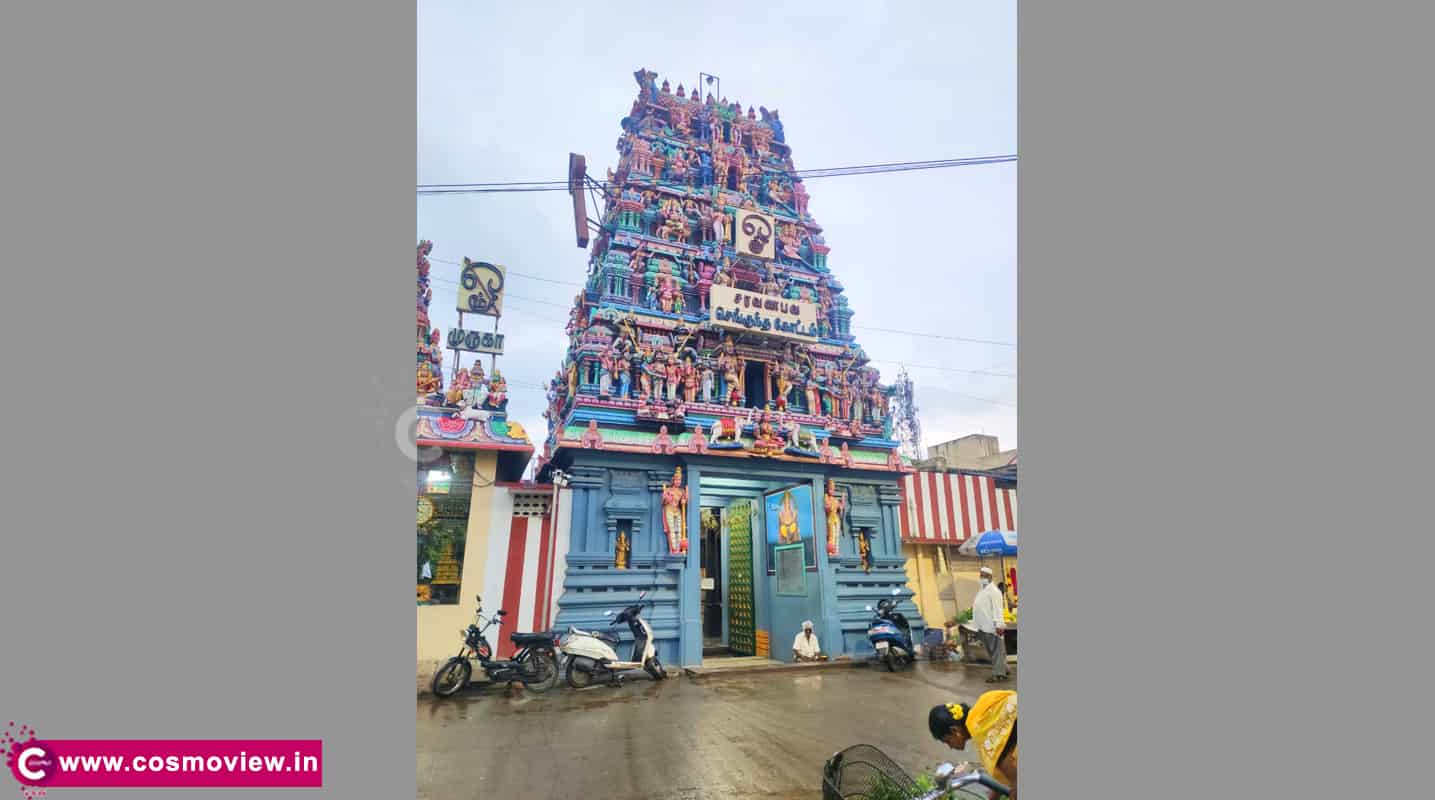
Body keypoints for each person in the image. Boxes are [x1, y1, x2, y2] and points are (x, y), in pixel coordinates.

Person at [927, 692, 1017, 798]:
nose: (950, 747)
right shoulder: (984, 704)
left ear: (954, 730)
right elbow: (1002, 767)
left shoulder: (983, 734)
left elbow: (1016, 781)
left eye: (948, 741)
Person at [971, 566, 1010, 683]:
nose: (982, 577)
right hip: (983, 626)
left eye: (984, 575)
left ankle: (999, 675)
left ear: (990, 577)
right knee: (994, 651)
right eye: (981, 575)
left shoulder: (994, 591)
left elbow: (998, 609)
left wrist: (999, 625)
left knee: (997, 651)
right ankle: (1004, 669)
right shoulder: (982, 590)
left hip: (992, 626)